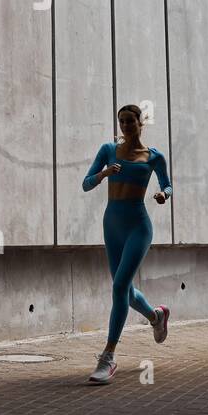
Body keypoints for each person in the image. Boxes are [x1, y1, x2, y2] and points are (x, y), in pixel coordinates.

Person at [81, 103, 172, 384]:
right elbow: (85, 184)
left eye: (130, 121)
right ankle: (156, 316)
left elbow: (168, 185)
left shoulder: (154, 156)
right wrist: (105, 173)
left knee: (119, 286)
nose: (125, 126)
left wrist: (163, 195)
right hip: (112, 225)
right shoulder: (108, 150)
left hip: (138, 226)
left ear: (140, 123)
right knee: (127, 291)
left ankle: (108, 357)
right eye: (121, 121)